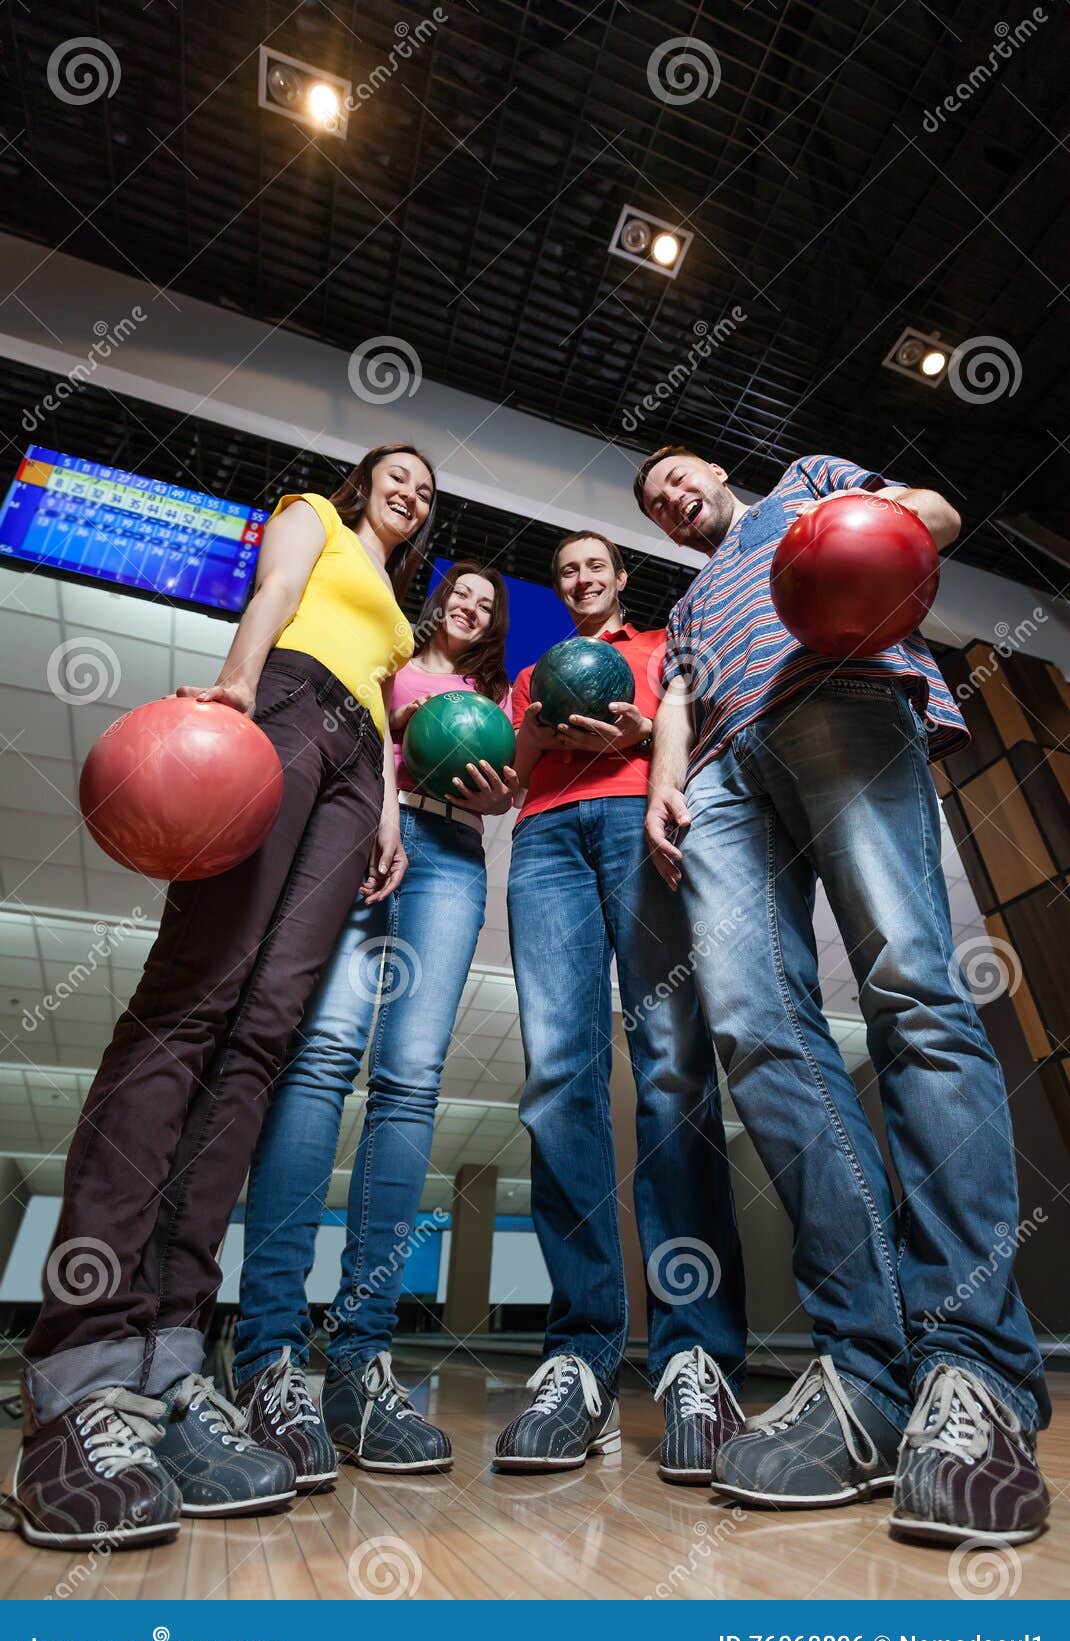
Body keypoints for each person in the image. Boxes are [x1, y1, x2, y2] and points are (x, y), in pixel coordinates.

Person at [12, 445, 434, 1550]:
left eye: (427, 489)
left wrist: (386, 806)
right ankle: (78, 1379)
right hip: (288, 704)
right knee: (195, 1002)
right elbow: (277, 595)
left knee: (260, 1042)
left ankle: (167, 1360)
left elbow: (386, 715)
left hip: (356, 762)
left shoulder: (398, 609)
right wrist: (241, 688)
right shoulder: (315, 519)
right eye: (398, 474)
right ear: (362, 486)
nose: (413, 491)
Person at [637, 445, 1050, 1545]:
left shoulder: (806, 485)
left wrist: (886, 527)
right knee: (754, 1037)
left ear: (714, 470)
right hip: (720, 774)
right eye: (652, 503)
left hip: (839, 687)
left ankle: (980, 1373)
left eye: (674, 477)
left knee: (911, 995)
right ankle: (866, 1371)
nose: (669, 500)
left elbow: (933, 506)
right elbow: (675, 695)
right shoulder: (682, 604)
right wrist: (662, 779)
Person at [232, 562, 516, 1484]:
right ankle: (267, 1356)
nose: (471, 608)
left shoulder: (491, 694)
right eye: (460, 594)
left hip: (455, 860)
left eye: (488, 603)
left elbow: (508, 791)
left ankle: (360, 1365)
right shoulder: (389, 656)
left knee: (409, 1087)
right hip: (367, 836)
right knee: (318, 1063)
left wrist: (495, 790)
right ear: (436, 604)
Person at [493, 530, 747, 1481]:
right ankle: (580, 1357)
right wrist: (538, 733)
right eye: (565, 571)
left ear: (621, 578)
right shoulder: (532, 676)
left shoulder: (657, 648)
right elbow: (507, 782)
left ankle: (696, 1359)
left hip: (641, 825)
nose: (581, 578)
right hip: (548, 841)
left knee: (674, 1072)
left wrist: (644, 737)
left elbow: (699, 734)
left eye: (595, 565)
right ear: (558, 589)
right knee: (559, 1079)